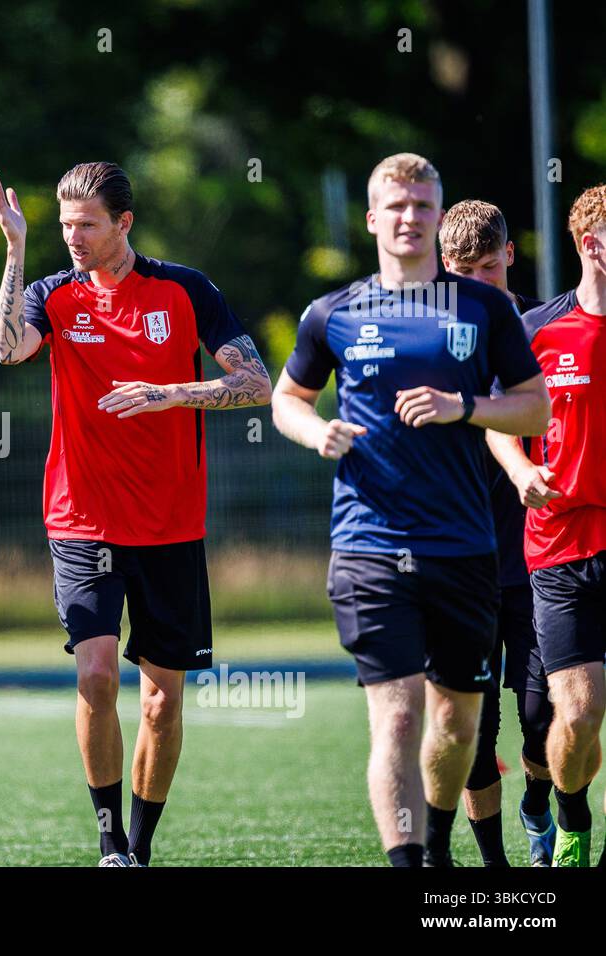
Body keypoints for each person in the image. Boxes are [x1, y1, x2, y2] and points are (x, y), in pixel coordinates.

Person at [0, 162, 273, 866]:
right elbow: (6, 349)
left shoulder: (185, 289)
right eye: (64, 225)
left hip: (170, 526)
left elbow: (257, 384)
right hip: (80, 520)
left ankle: (139, 851)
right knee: (94, 676)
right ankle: (109, 840)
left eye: (87, 224)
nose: (74, 237)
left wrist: (170, 392)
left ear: (124, 222)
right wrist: (15, 248)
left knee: (160, 704)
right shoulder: (52, 293)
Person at [272, 154, 551, 867]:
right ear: (372, 219)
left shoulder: (484, 308)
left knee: (458, 727)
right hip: (368, 545)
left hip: (463, 548)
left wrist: (465, 407)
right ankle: (412, 866)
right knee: (396, 716)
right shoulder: (331, 313)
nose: (409, 219)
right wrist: (316, 431)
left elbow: (533, 407)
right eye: (395, 207)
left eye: (422, 207)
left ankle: (433, 840)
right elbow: (286, 399)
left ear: (436, 214)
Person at [438, 200, 553, 866]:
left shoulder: (547, 326)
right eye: (464, 270)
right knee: (474, 731)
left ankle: (538, 801)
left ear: (509, 255)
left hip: (541, 554)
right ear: (444, 266)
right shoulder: (427, 340)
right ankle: (495, 865)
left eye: (490, 267)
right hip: (460, 559)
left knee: (545, 720)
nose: (480, 282)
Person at [514, 184, 606, 866]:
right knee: (574, 714)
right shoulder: (539, 329)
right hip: (560, 547)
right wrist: (520, 472)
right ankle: (571, 816)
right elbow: (495, 418)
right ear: (591, 242)